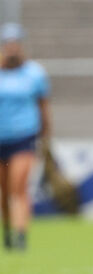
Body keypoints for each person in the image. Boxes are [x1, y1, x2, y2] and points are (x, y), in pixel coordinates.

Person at [0, 23, 51, 251]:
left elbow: (43, 107)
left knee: (18, 187)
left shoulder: (34, 73)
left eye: (15, 44)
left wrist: (46, 137)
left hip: (23, 137)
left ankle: (21, 235)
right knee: (4, 191)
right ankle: (8, 231)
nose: (12, 48)